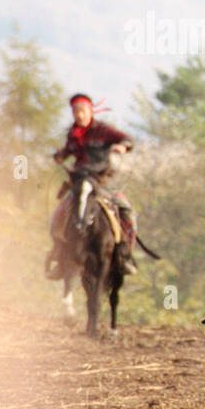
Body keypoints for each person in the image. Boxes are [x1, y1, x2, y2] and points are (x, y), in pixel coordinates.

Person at [47, 93, 137, 278]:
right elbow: (66, 153)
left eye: (82, 111)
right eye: (75, 112)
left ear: (90, 111)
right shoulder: (72, 134)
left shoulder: (103, 131)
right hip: (79, 183)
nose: (79, 115)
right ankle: (60, 256)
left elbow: (128, 140)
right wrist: (59, 156)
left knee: (126, 211)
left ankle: (124, 256)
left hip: (102, 182)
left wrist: (122, 147)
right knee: (57, 216)